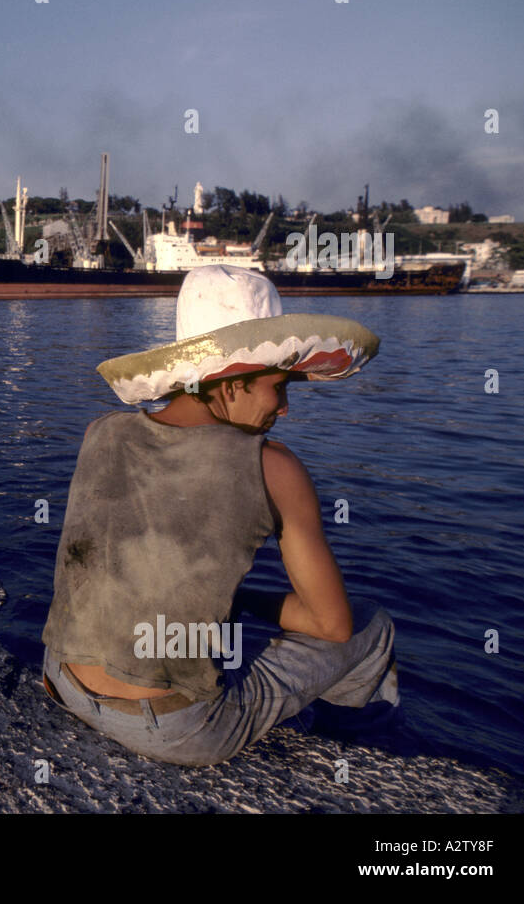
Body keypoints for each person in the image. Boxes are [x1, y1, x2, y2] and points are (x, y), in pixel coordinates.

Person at [41, 264, 400, 765]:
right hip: (172, 728)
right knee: (371, 625)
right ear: (231, 384)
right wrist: (248, 599)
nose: (287, 408)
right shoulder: (272, 467)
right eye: (280, 387)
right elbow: (332, 624)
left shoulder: (100, 431)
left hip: (63, 682)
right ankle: (352, 757)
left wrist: (233, 599)